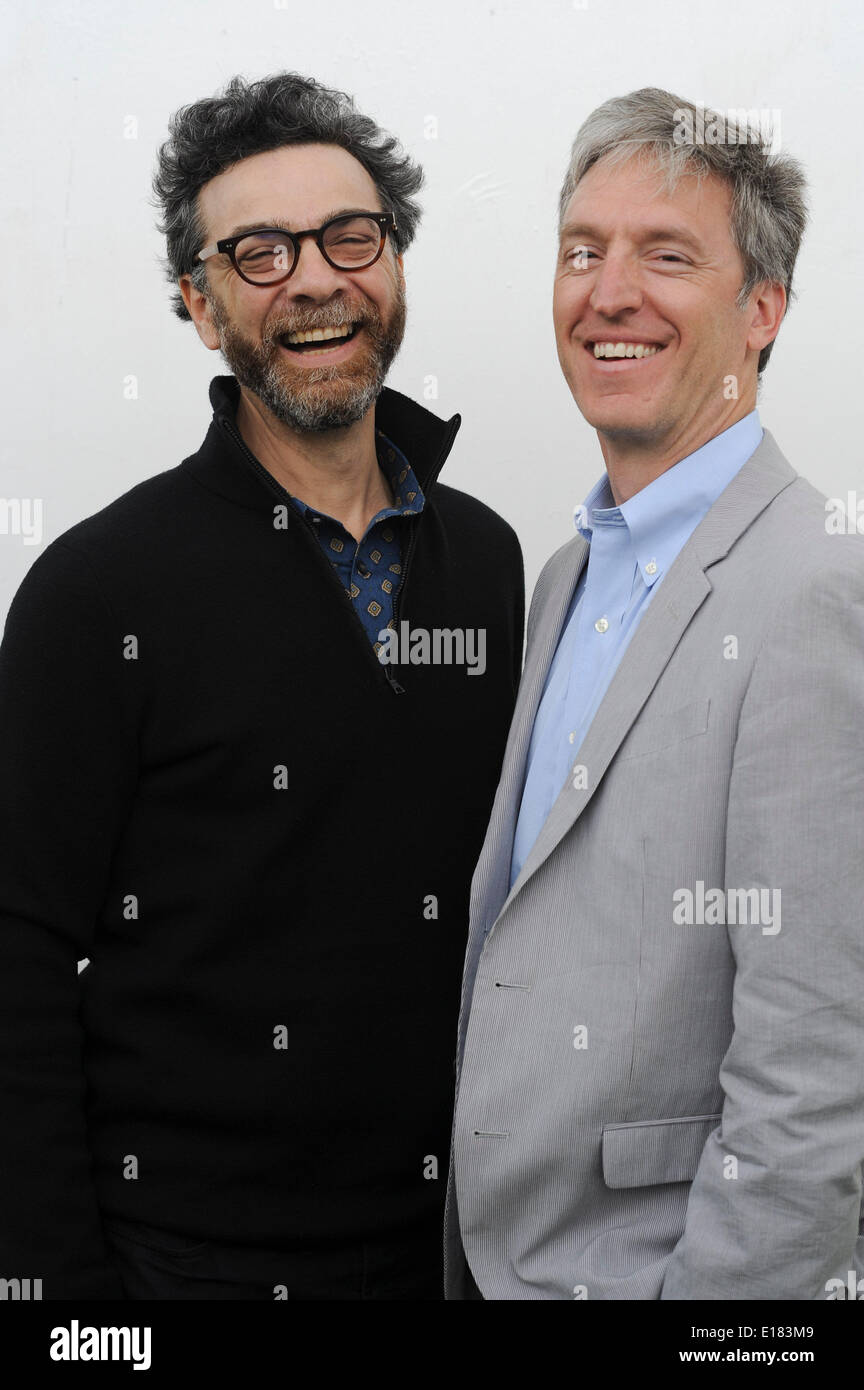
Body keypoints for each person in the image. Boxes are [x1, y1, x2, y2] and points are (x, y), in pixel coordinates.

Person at [0, 71, 524, 1300]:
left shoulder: (494, 560)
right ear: (199, 304)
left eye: (351, 236)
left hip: (461, 1254)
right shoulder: (97, 591)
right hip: (182, 1269)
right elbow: (15, 955)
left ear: (392, 263)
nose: (316, 278)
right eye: (258, 252)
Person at [445, 87, 864, 1300]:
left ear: (764, 309)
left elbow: (815, 1074)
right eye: (583, 251)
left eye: (666, 255)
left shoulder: (815, 591)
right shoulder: (565, 572)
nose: (607, 291)